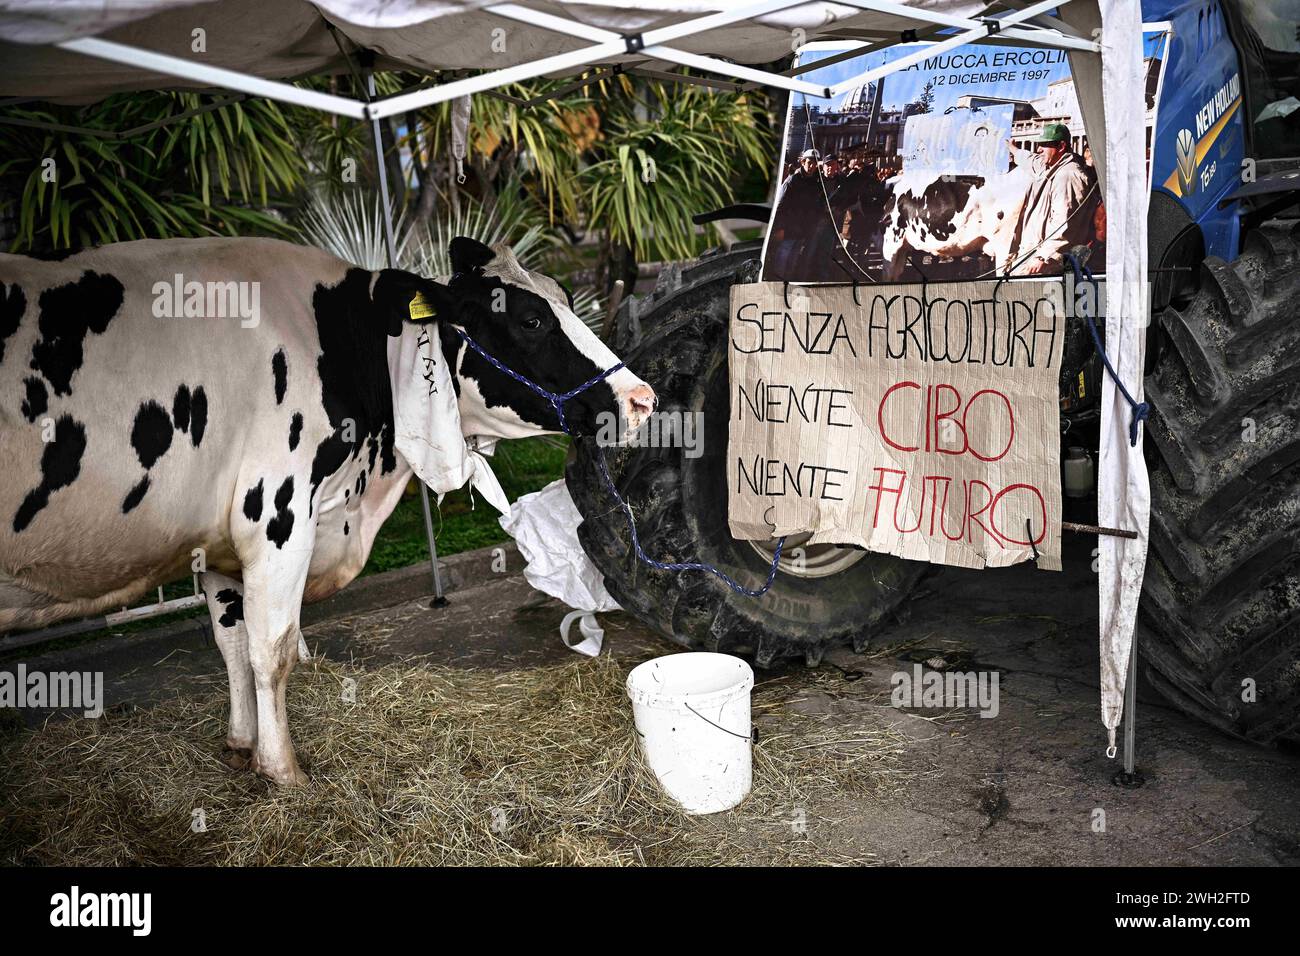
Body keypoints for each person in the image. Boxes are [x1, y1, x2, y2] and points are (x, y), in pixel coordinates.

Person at [1005, 123, 1096, 276]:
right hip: (1034, 254)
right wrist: (1014, 150)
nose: (1038, 149)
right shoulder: (1050, 166)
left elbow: (1064, 224)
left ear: (1061, 146)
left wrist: (1043, 257)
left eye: (1044, 145)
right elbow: (1031, 160)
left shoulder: (1068, 176)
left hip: (1048, 263)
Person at [768, 148, 824, 277]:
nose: (812, 166)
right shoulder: (792, 180)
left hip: (803, 230)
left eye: (815, 163)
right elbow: (780, 206)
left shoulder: (815, 183)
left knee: (792, 263)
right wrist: (780, 228)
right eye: (809, 162)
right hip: (788, 229)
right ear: (803, 162)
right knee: (781, 262)